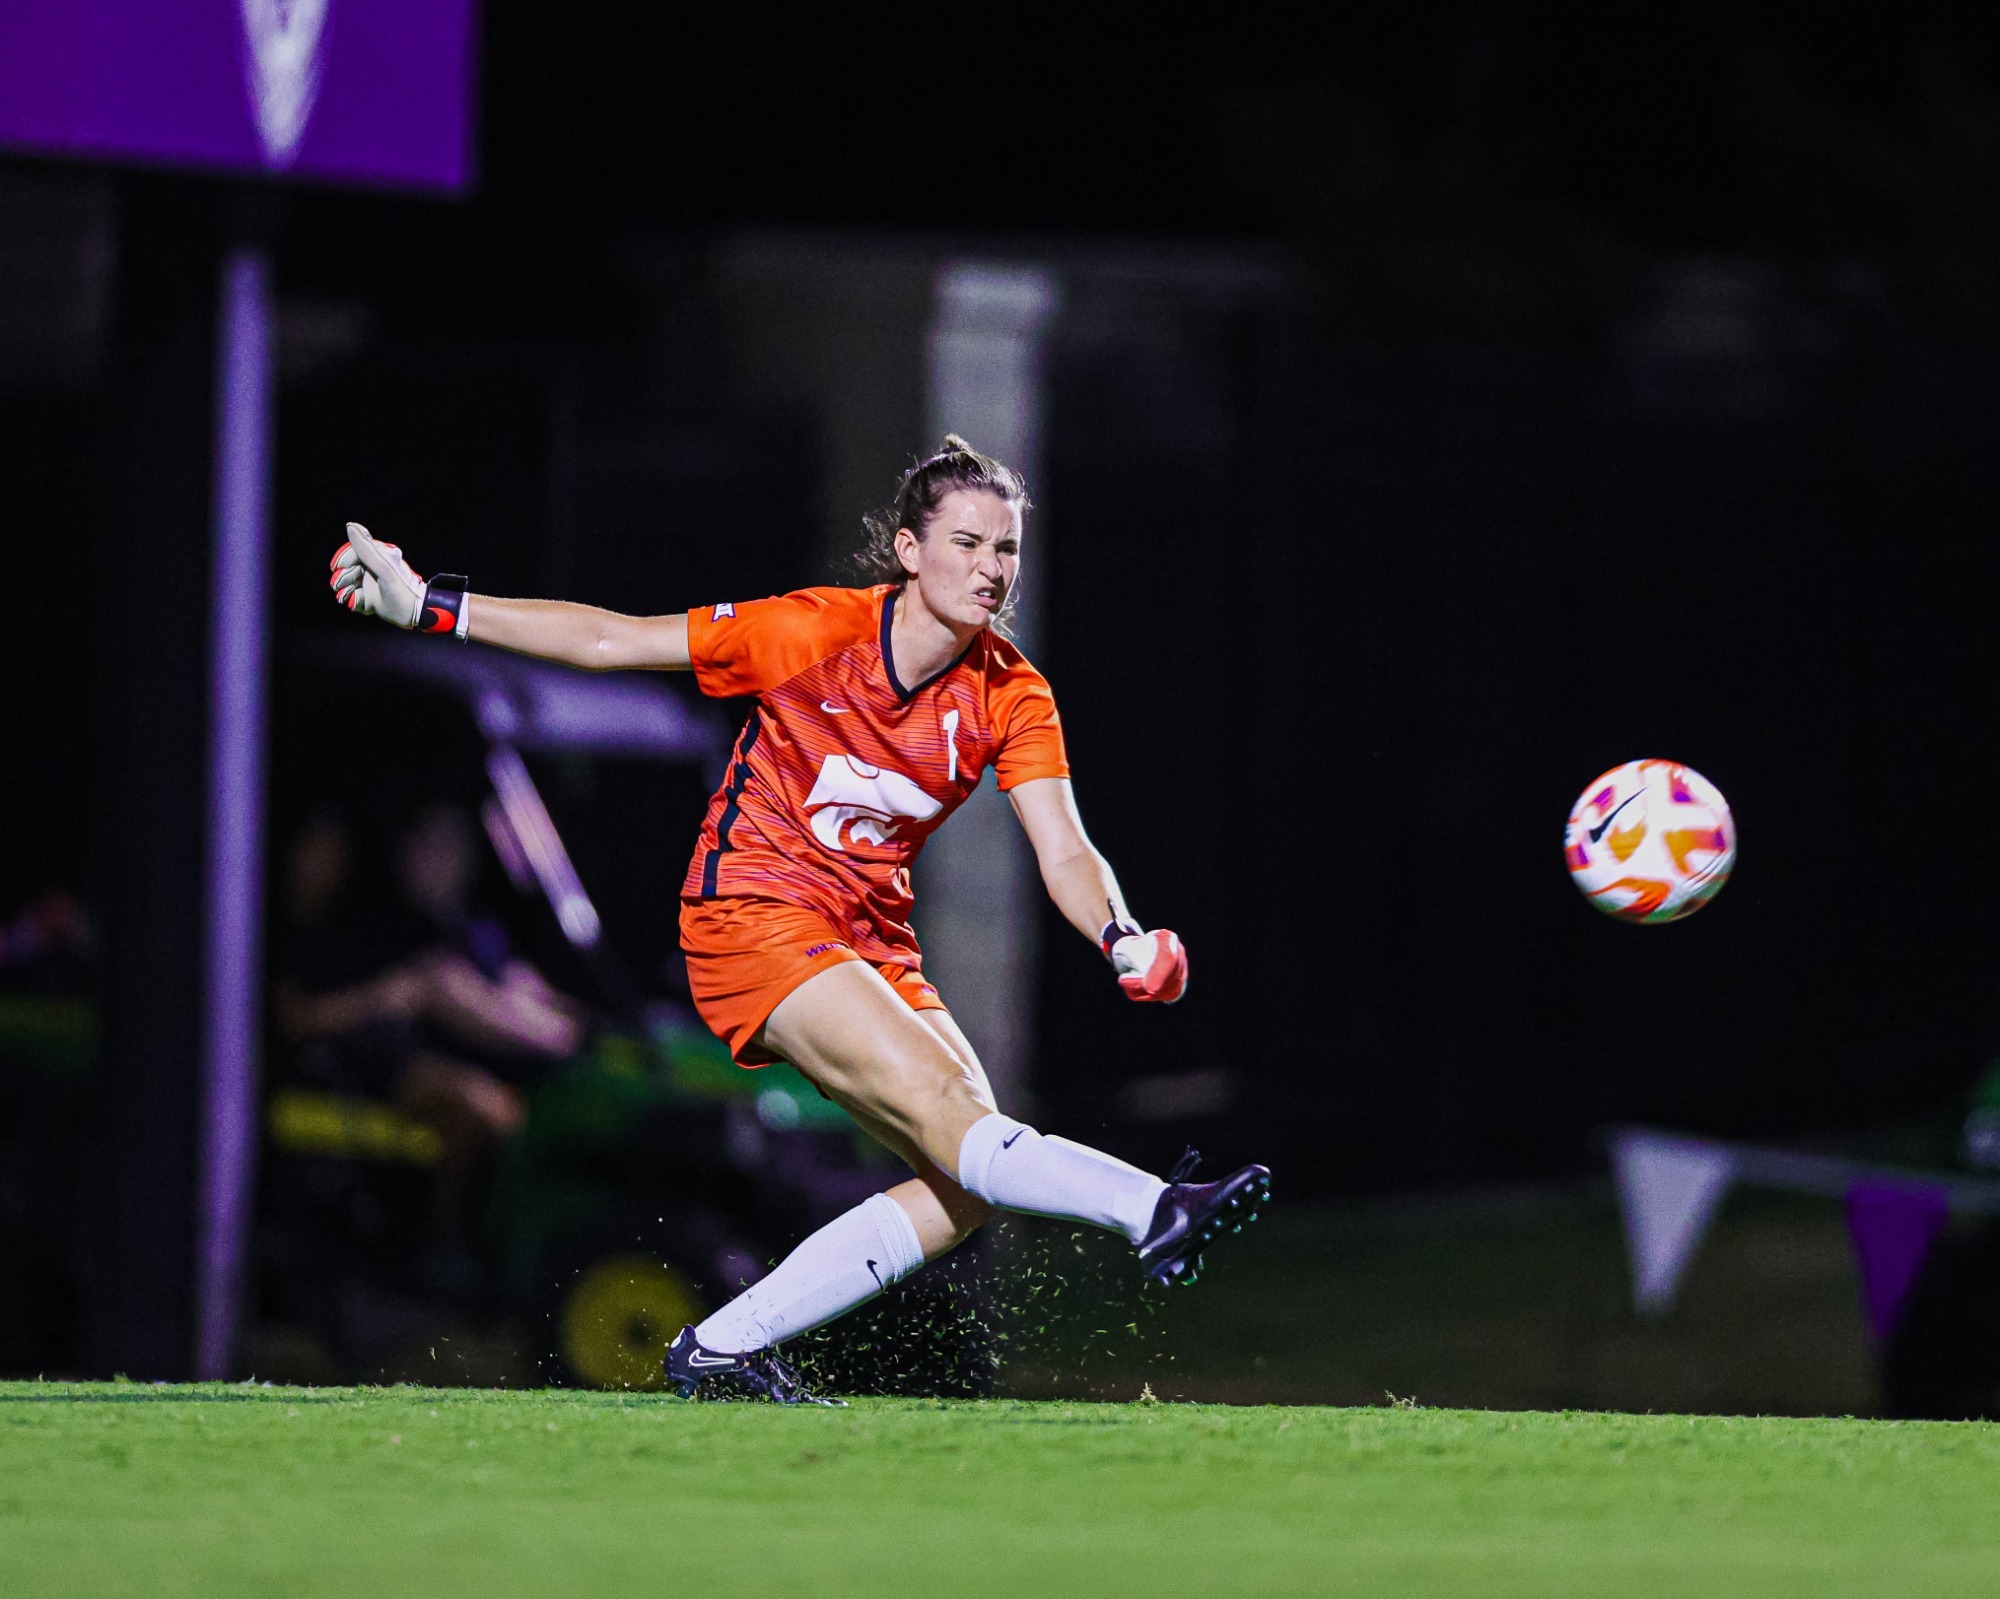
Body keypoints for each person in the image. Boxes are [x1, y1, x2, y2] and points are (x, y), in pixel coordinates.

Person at [330, 434, 1270, 1402]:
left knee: (964, 1184)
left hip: (869, 941)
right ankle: (1152, 1205)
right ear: (908, 550)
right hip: (753, 914)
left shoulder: (1010, 692)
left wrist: (1120, 934)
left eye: (1005, 550)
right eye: (967, 542)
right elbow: (614, 638)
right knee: (959, 1127)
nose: (990, 569)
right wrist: (433, 605)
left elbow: (1064, 848)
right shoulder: (811, 631)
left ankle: (720, 1349)